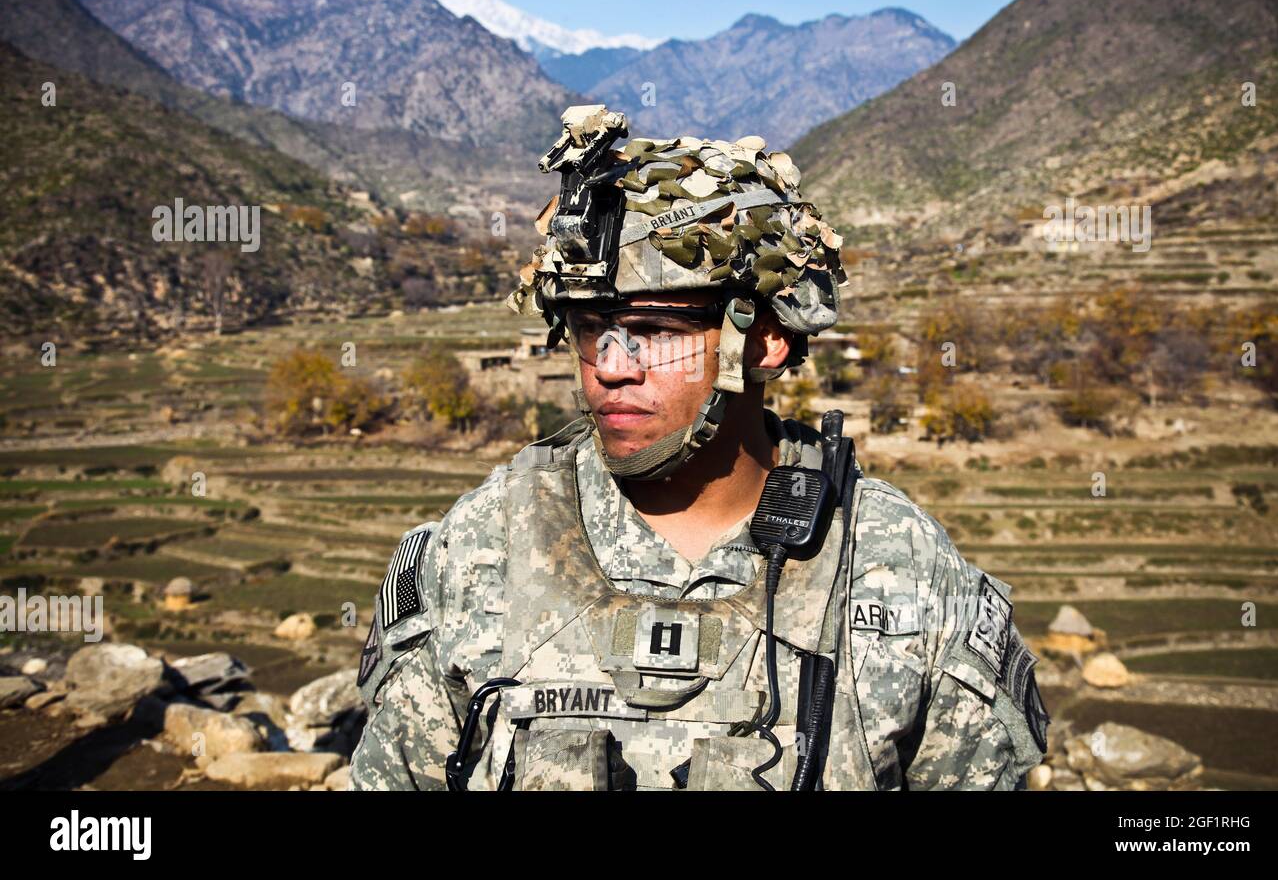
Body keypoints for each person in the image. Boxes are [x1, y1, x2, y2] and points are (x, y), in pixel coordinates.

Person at [348, 105, 1049, 790]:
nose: (611, 364)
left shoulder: (898, 564)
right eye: (592, 327)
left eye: (655, 330)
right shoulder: (478, 548)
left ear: (766, 339)